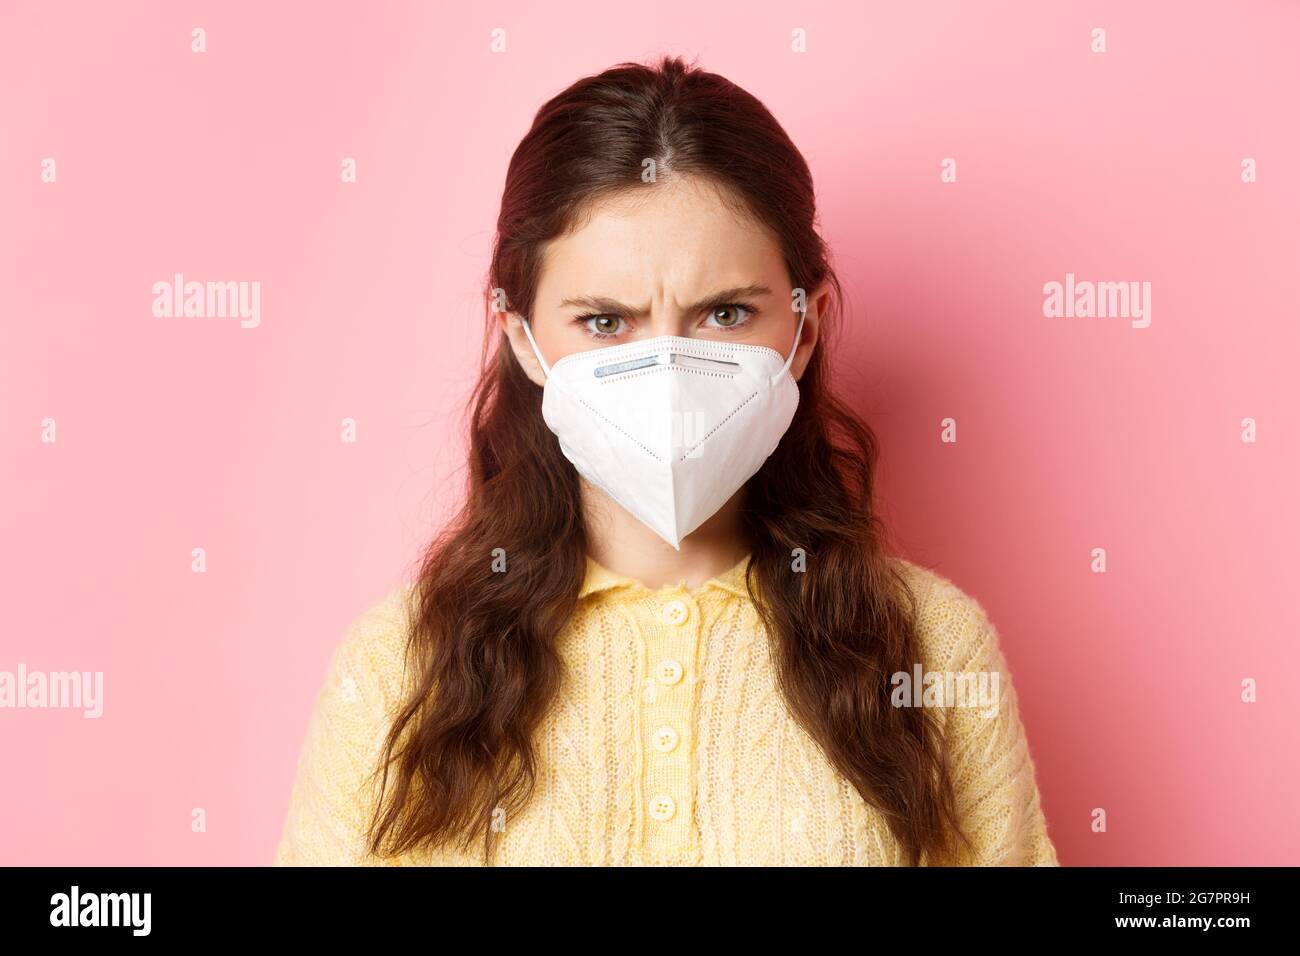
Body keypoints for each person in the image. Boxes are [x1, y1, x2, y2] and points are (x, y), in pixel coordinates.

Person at [274, 54, 1058, 866]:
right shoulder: (400, 666)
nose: (669, 370)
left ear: (806, 326)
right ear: (526, 342)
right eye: (606, 322)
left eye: (724, 312)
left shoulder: (930, 647)